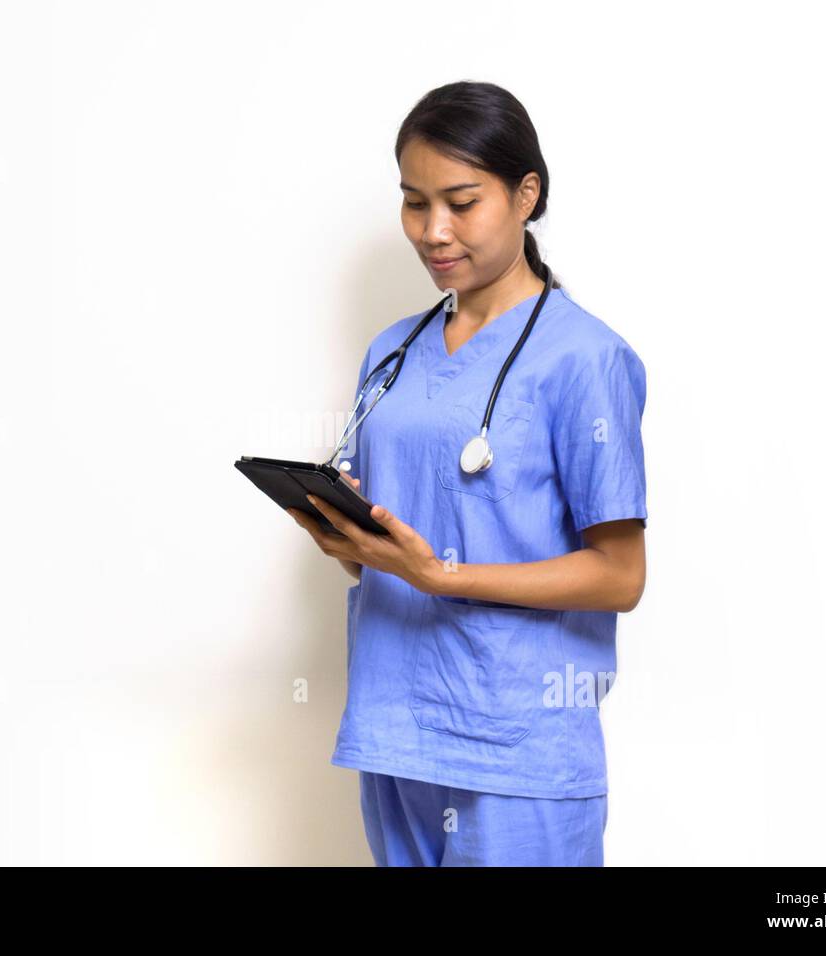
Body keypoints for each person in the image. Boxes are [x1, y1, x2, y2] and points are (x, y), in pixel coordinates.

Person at [287, 81, 648, 867]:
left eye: (461, 201)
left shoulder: (585, 359)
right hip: (394, 732)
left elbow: (620, 576)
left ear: (527, 194)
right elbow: (395, 550)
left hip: (518, 747)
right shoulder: (391, 353)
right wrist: (343, 536)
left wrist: (445, 577)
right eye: (414, 203)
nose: (433, 231)